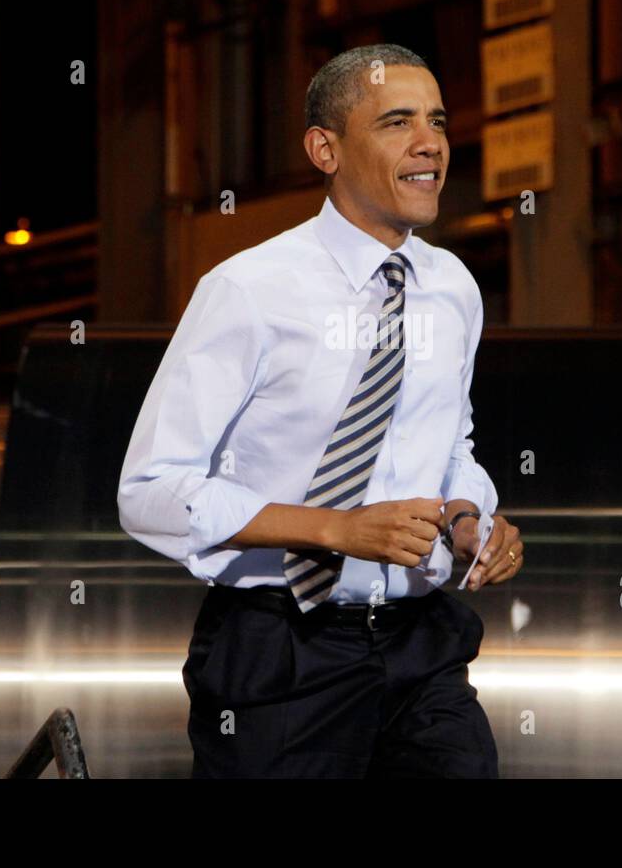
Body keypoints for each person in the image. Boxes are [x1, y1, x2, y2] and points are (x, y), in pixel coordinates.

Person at [117, 43, 524, 778]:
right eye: (397, 122)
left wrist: (468, 516)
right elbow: (151, 491)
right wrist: (334, 529)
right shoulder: (249, 290)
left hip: (420, 645)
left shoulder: (452, 287)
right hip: (281, 653)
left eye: (436, 121)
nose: (429, 142)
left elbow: (451, 442)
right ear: (325, 148)